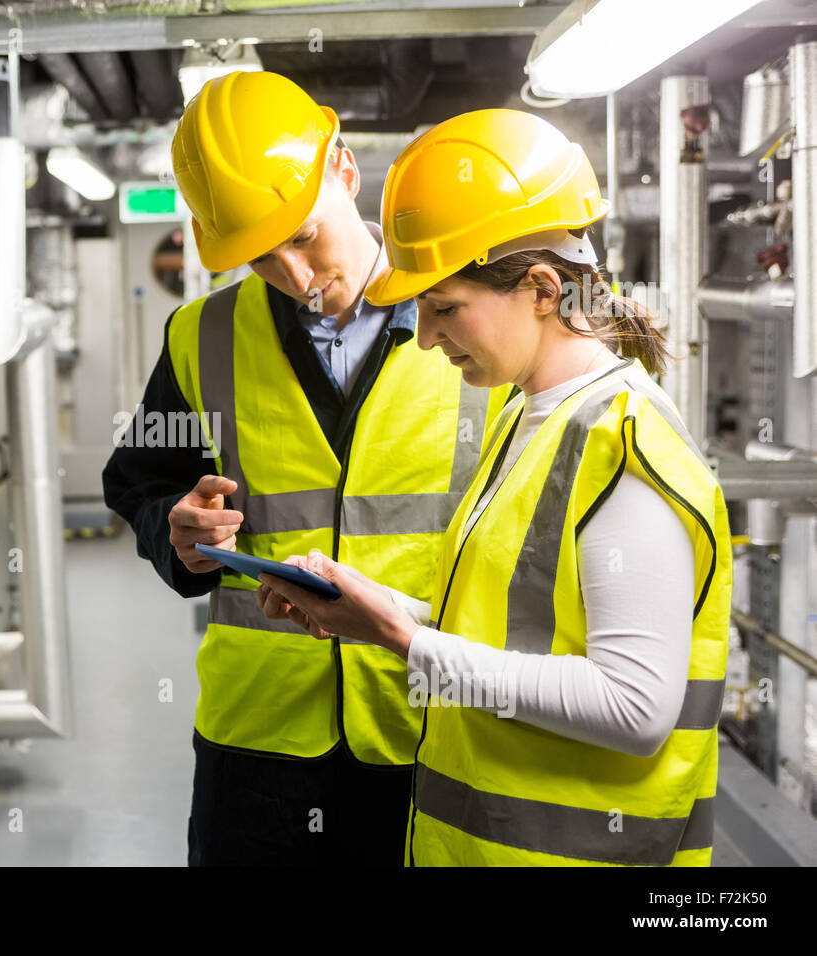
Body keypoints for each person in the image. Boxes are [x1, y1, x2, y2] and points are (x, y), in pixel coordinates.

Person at [255, 108, 731, 866]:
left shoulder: (624, 447)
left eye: (445, 309)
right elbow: (515, 630)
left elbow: (634, 707)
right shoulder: (526, 418)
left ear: (543, 288)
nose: (427, 339)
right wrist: (370, 606)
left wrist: (402, 640)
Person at [102, 71, 510, 866]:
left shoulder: (473, 322)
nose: (293, 274)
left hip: (425, 721)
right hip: (257, 746)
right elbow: (139, 481)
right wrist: (174, 529)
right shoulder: (200, 335)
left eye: (302, 235)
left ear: (347, 172)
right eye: (258, 257)